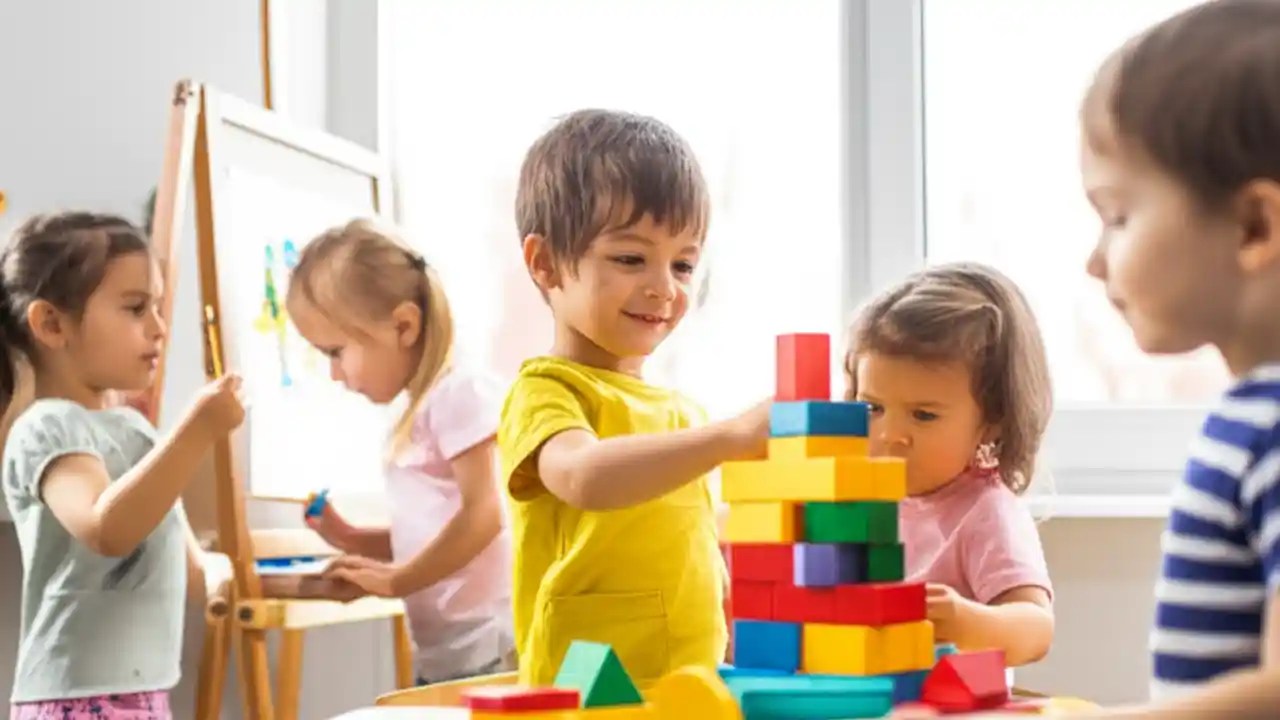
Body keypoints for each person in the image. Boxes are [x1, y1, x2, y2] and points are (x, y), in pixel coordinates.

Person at [497, 108, 771, 685]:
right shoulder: (547, 391)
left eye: (684, 264)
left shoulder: (680, 412)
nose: (663, 287)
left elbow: (674, 530)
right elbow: (585, 476)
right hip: (587, 679)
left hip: (689, 673)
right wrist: (729, 437)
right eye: (630, 258)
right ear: (544, 263)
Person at [1, 211, 243, 719]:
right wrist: (196, 430)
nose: (158, 328)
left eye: (157, 307)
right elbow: (106, 529)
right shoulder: (46, 429)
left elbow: (190, 571)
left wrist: (223, 570)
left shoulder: (135, 432)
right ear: (51, 324)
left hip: (144, 696)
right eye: (136, 309)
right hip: (77, 700)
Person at [288, 218, 515, 684]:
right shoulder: (419, 412)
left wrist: (396, 581)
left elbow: (487, 513)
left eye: (335, 351)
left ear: (404, 326)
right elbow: (429, 533)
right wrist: (353, 538)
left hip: (492, 645)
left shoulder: (460, 393)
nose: (334, 373)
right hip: (448, 654)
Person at [844, 262, 1055, 667]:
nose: (890, 434)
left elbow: (1036, 628)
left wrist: (965, 621)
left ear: (990, 424)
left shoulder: (986, 513)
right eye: (873, 407)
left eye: (923, 415)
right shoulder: (860, 496)